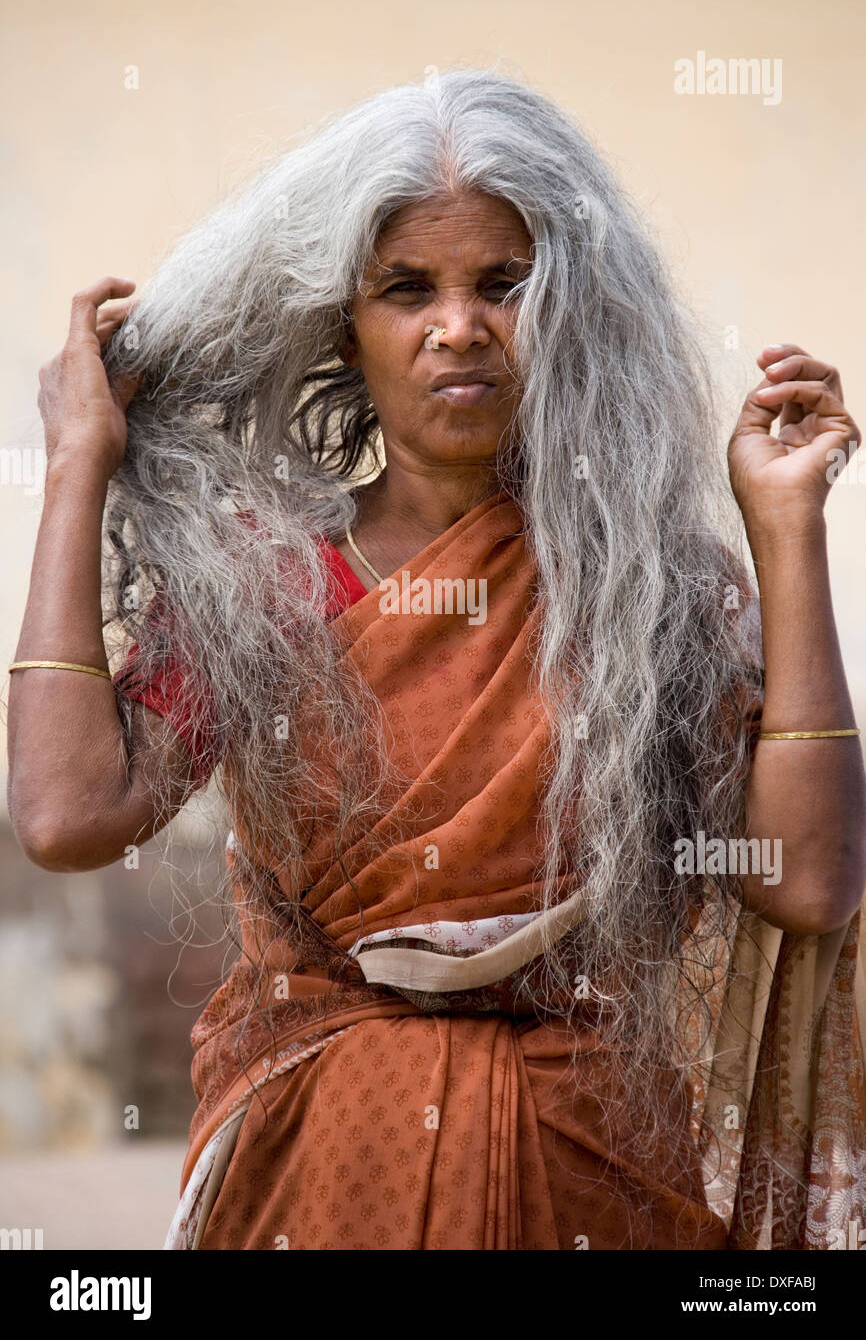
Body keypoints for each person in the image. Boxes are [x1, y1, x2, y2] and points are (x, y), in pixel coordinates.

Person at [8, 70, 866, 1251]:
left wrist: (783, 532)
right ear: (343, 325)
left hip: (587, 1171)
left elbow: (808, 882)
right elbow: (66, 816)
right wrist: (75, 466)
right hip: (316, 1168)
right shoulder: (266, 579)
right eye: (406, 288)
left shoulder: (648, 588)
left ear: (568, 308)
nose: (457, 326)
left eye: (503, 284)